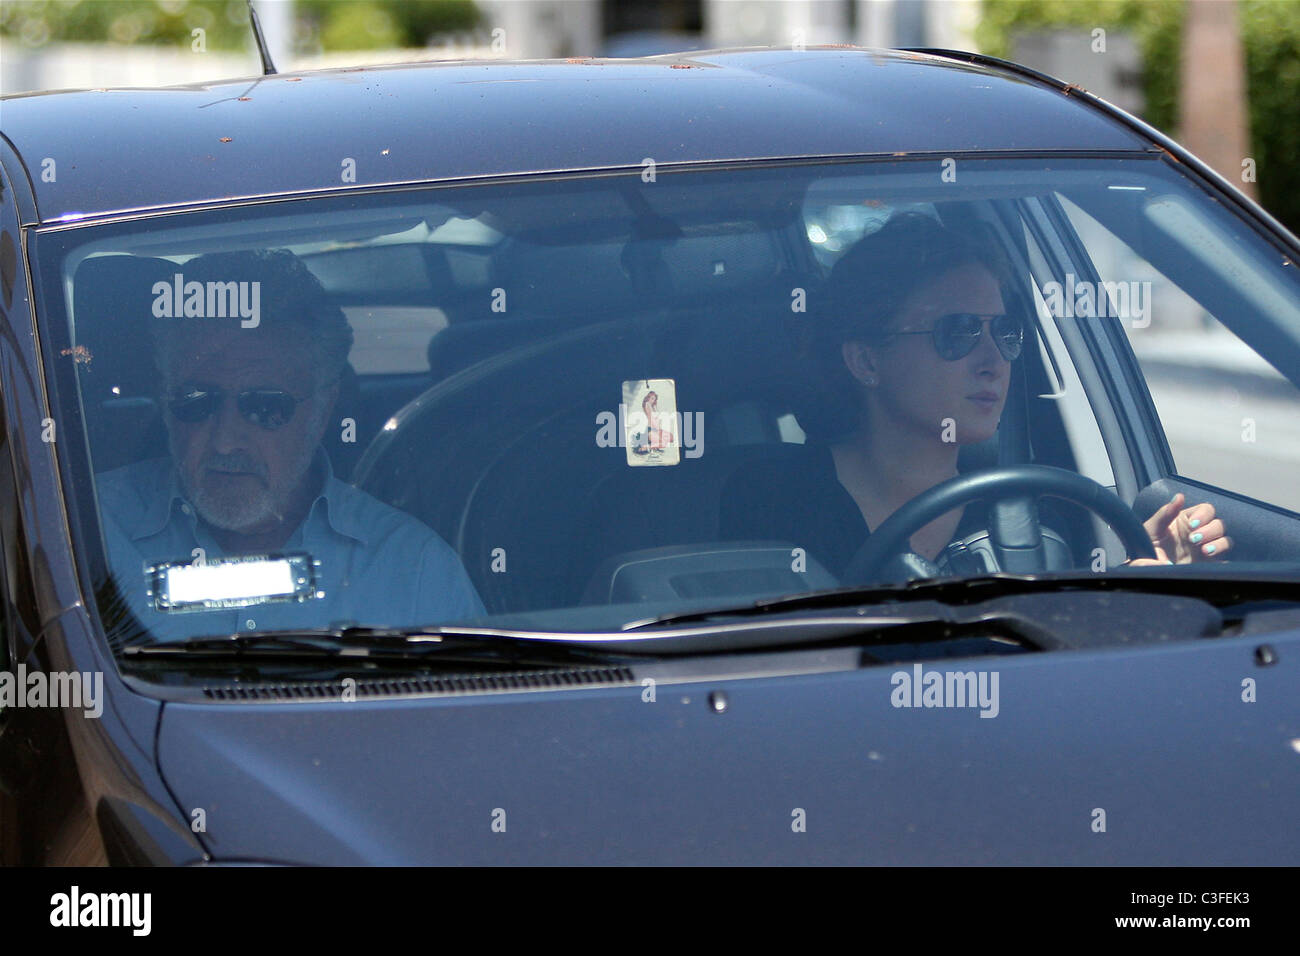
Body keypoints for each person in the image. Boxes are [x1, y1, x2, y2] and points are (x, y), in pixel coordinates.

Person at [722, 213, 1230, 578]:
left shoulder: (1031, 518)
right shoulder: (773, 499)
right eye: (959, 332)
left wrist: (1143, 583)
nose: (994, 360)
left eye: (1005, 333)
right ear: (867, 361)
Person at [96, 249, 483, 642]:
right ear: (165, 401)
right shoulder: (85, 532)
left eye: (265, 407)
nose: (226, 442)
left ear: (322, 409)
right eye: (197, 402)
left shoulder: (414, 572)